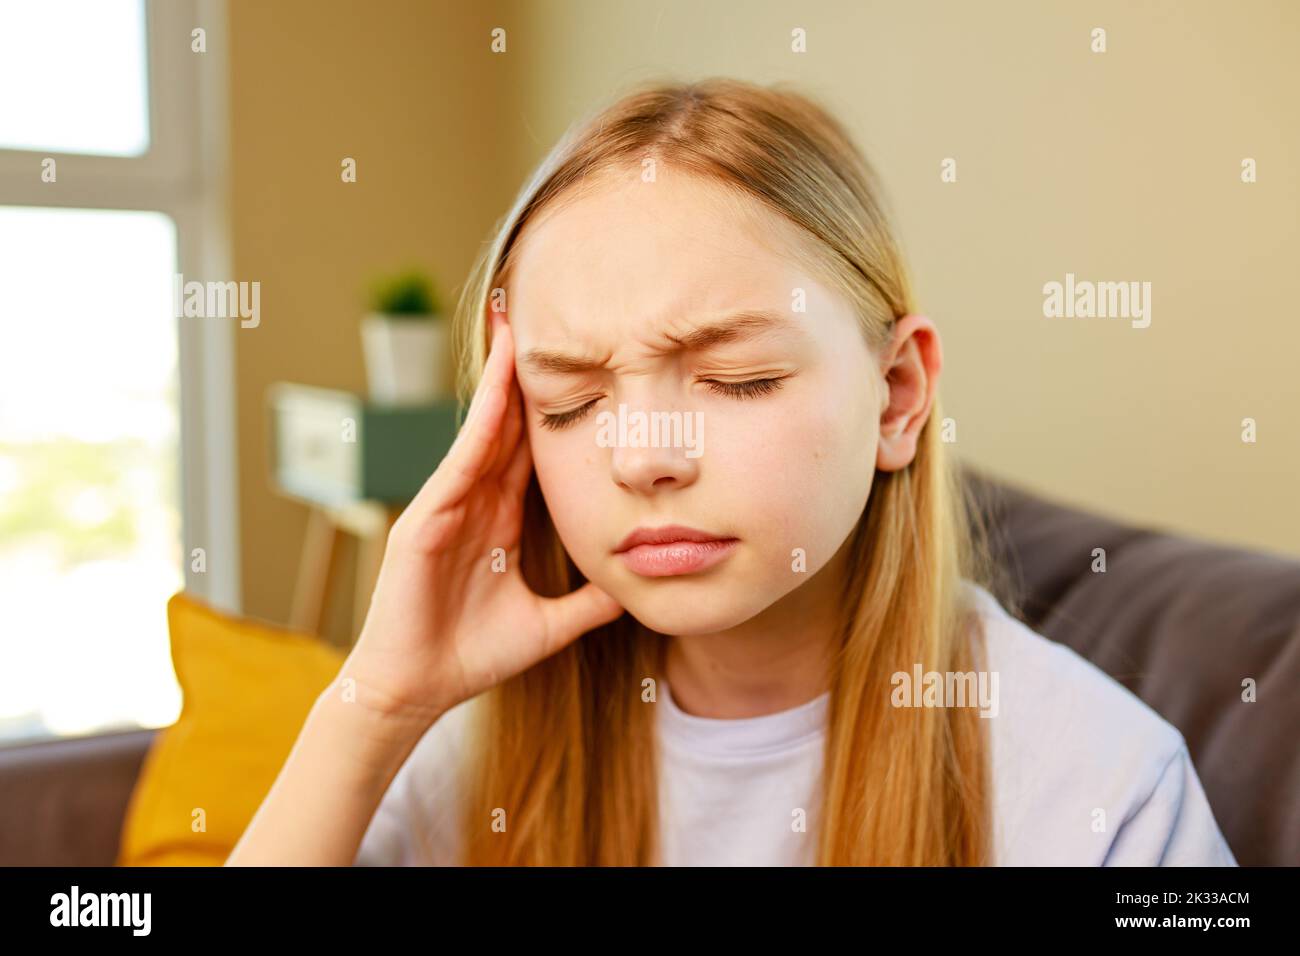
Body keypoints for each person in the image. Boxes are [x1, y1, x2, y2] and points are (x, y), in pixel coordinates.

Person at [227, 78, 1236, 867]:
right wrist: (376, 705)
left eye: (734, 379)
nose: (643, 456)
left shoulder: (1101, 783)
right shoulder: (479, 754)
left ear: (895, 396)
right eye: (570, 402)